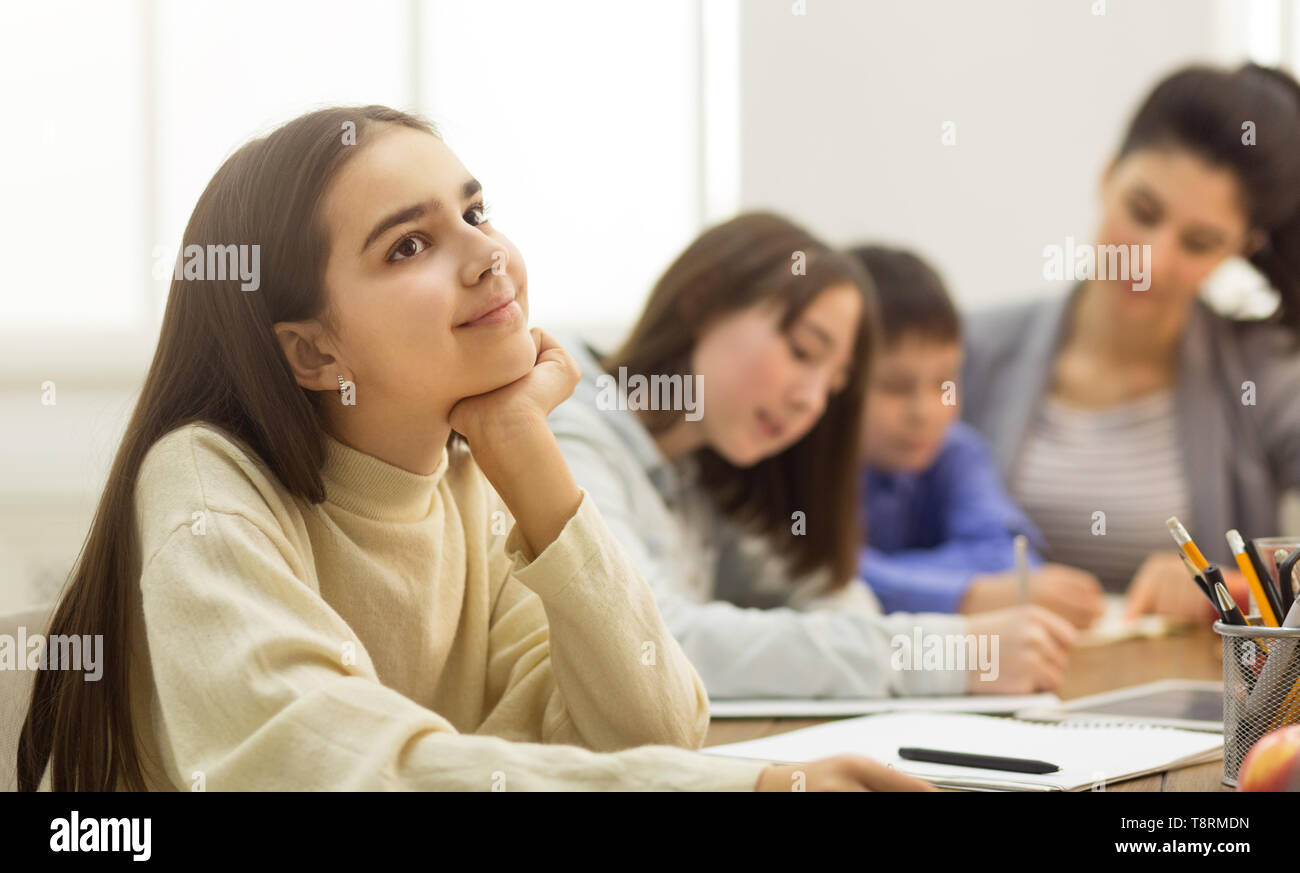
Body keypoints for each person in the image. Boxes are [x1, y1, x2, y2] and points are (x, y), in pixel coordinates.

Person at [16, 107, 925, 793]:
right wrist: (746, 786)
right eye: (409, 244)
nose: (488, 256)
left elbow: (650, 728)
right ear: (312, 351)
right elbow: (336, 767)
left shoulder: (473, 485)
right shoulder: (208, 482)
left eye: (477, 211)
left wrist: (521, 445)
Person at [548, 213, 1076, 700]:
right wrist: (947, 654)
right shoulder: (570, 435)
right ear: (703, 300)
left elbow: (823, 590)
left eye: (834, 384)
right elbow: (656, 644)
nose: (810, 401)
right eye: (802, 352)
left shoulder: (696, 466)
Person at [963, 63, 1300, 621]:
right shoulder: (974, 352)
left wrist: (1234, 589)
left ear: (1241, 248)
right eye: (1142, 212)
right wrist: (965, 593)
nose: (1152, 261)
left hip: (1189, 699)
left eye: (1199, 242)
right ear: (1106, 176)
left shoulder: (1263, 377)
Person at [850, 245, 1105, 628]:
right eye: (894, 386)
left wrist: (890, 578)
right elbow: (823, 580)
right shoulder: (805, 469)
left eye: (944, 382)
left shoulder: (956, 451)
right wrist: (971, 595)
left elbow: (1008, 556)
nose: (925, 411)